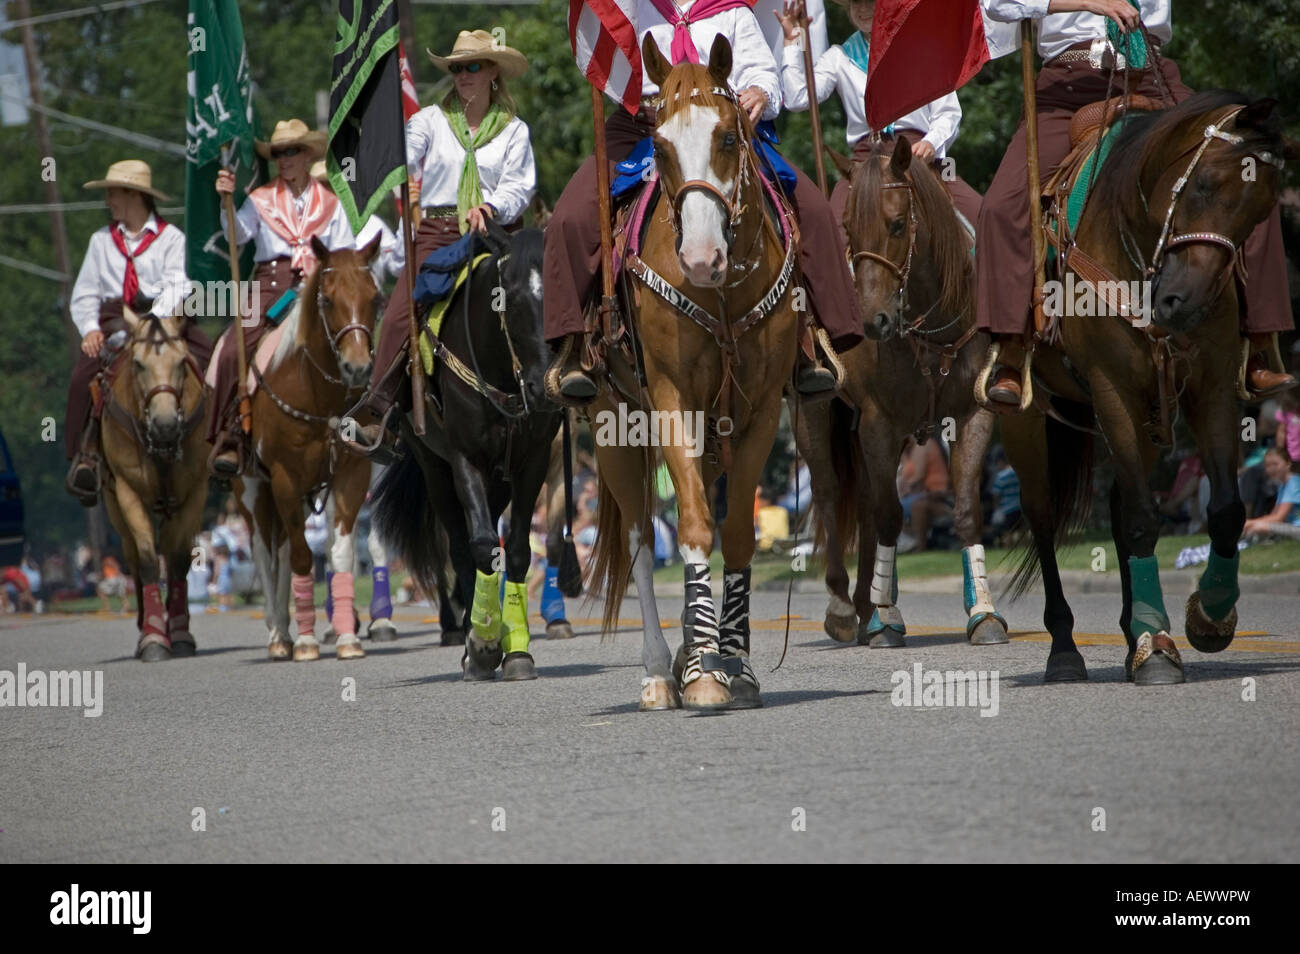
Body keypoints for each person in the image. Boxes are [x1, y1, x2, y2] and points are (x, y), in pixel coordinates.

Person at [977, 0, 1297, 407]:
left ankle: (1259, 343)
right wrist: (1091, 3)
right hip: (1069, 83)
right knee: (1001, 206)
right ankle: (1010, 350)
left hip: (1153, 73)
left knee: (1246, 167)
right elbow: (1000, 4)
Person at [544, 0, 865, 403]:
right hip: (643, 126)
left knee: (814, 209)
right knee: (570, 218)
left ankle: (815, 339)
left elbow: (765, 75)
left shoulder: (732, 11)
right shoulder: (629, 7)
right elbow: (605, 50)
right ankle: (574, 345)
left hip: (719, 134)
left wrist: (761, 94)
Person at [343, 30, 537, 454]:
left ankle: (552, 385)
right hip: (435, 231)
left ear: (493, 74)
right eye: (456, 68)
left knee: (532, 297)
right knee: (398, 316)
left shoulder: (514, 131)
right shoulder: (428, 120)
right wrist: (386, 144)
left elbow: (520, 187)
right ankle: (378, 412)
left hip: (493, 232)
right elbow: (405, 158)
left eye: (471, 67)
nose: (462, 75)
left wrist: (490, 206)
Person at [208, 118, 357, 475]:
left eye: (291, 152)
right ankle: (231, 435)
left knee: (356, 335)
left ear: (307, 155)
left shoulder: (332, 203)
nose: (284, 159)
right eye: (278, 154)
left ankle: (365, 421)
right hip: (270, 284)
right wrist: (226, 200)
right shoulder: (260, 201)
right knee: (232, 348)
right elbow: (235, 235)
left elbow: (346, 251)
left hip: (321, 284)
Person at [64, 160, 209, 504]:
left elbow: (178, 284)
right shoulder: (100, 242)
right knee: (80, 379)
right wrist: (89, 330)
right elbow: (85, 294)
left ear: (135, 195)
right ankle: (86, 456)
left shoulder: (171, 238)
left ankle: (215, 444)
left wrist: (150, 325)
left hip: (165, 321)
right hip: (114, 323)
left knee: (209, 359)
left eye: (113, 192)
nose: (109, 200)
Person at [777, 0, 983, 230]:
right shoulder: (839, 57)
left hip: (924, 156)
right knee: (833, 229)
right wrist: (794, 41)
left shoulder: (921, 46)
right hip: (865, 160)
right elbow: (798, 98)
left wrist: (931, 142)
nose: (862, 10)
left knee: (981, 214)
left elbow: (949, 112)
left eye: (871, 3)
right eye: (856, 3)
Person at [310, 160, 405, 285]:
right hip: (323, 300)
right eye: (324, 186)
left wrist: (408, 225)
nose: (331, 191)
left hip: (372, 299)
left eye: (336, 184)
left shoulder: (373, 224)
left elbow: (396, 267)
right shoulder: (306, 226)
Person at [897, 436, 951, 551]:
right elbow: (908, 472)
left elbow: (918, 476)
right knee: (894, 505)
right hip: (920, 492)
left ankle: (915, 542)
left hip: (934, 491)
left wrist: (904, 488)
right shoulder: (912, 450)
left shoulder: (923, 444)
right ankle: (908, 539)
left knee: (898, 507)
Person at [1243, 446, 1300, 535]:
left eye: (1275, 464)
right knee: (1252, 528)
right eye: (1268, 465)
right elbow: (1274, 514)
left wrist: (1249, 522)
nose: (1271, 469)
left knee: (1258, 527)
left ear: (1288, 464)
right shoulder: (1282, 485)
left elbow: (1278, 518)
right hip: (1289, 525)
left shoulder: (1294, 483)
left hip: (1297, 528)